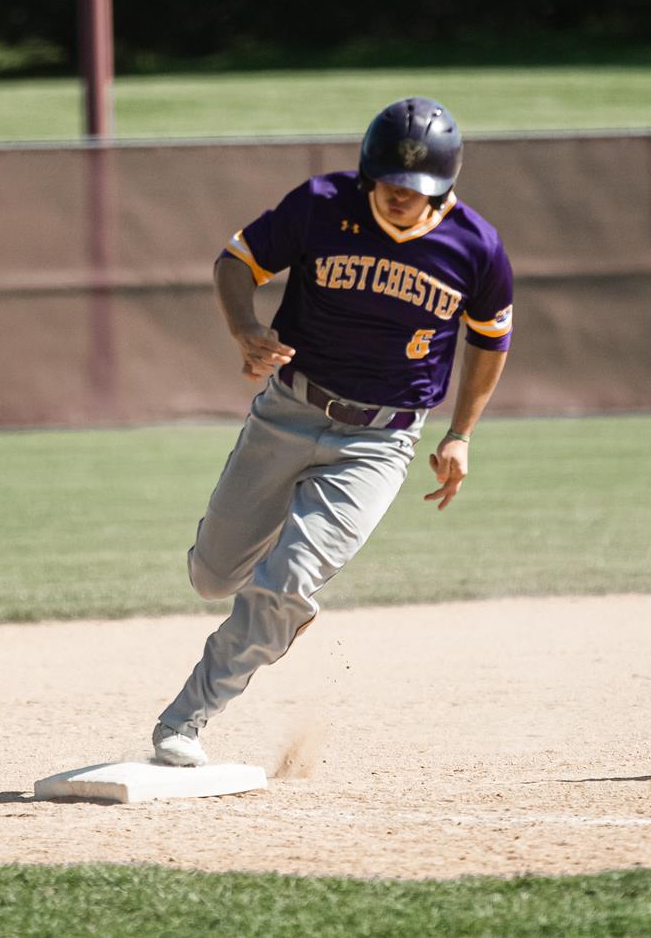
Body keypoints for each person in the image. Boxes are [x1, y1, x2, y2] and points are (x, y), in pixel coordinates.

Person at [151, 97, 514, 767]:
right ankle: (284, 611)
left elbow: (490, 340)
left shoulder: (476, 248)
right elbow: (236, 260)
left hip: (378, 442)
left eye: (415, 185)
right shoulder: (321, 204)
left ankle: (185, 720)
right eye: (389, 180)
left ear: (444, 184)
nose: (399, 194)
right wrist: (244, 328)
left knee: (285, 580)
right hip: (288, 412)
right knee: (212, 577)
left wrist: (461, 433)